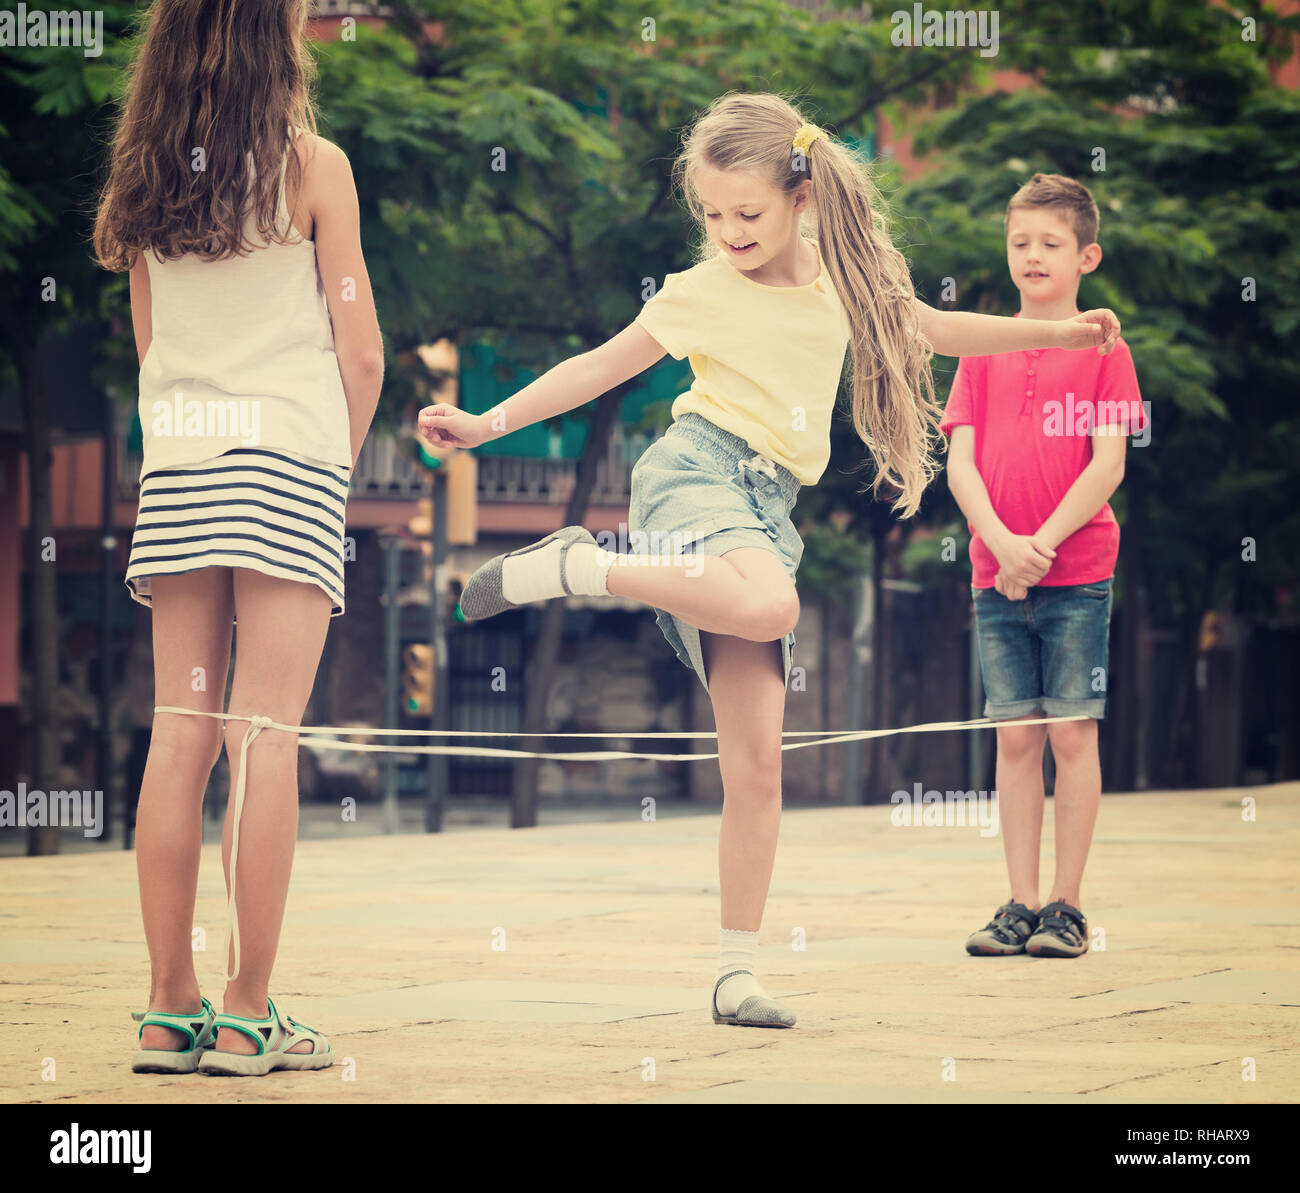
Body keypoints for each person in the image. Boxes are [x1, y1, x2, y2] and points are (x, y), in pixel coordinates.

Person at [420, 93, 1120, 1026]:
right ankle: (581, 566)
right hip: (694, 475)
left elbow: (933, 330)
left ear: (799, 195)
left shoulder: (843, 281)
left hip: (765, 511)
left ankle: (734, 970)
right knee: (775, 606)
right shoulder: (700, 290)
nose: (728, 232)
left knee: (755, 764)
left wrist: (1057, 333)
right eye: (711, 215)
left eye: (745, 214)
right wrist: (487, 421)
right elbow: (600, 364)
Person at [93, 0, 382, 1074]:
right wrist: (332, 470)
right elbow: (359, 348)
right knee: (264, 737)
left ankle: (170, 1006)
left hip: (179, 470)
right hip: (288, 464)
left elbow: (153, 346)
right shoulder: (314, 169)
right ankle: (251, 1008)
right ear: (277, 37)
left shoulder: (144, 182)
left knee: (182, 732)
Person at [942, 173, 1145, 959]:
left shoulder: (1105, 350)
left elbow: (1107, 466)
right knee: (1015, 740)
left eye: (1050, 243)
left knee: (1071, 734)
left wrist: (1042, 547)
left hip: (1078, 572)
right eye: (1019, 241)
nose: (1032, 255)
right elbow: (960, 464)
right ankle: (1018, 902)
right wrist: (999, 541)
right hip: (995, 576)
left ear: (1085, 255)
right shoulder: (980, 349)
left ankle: (1067, 906)